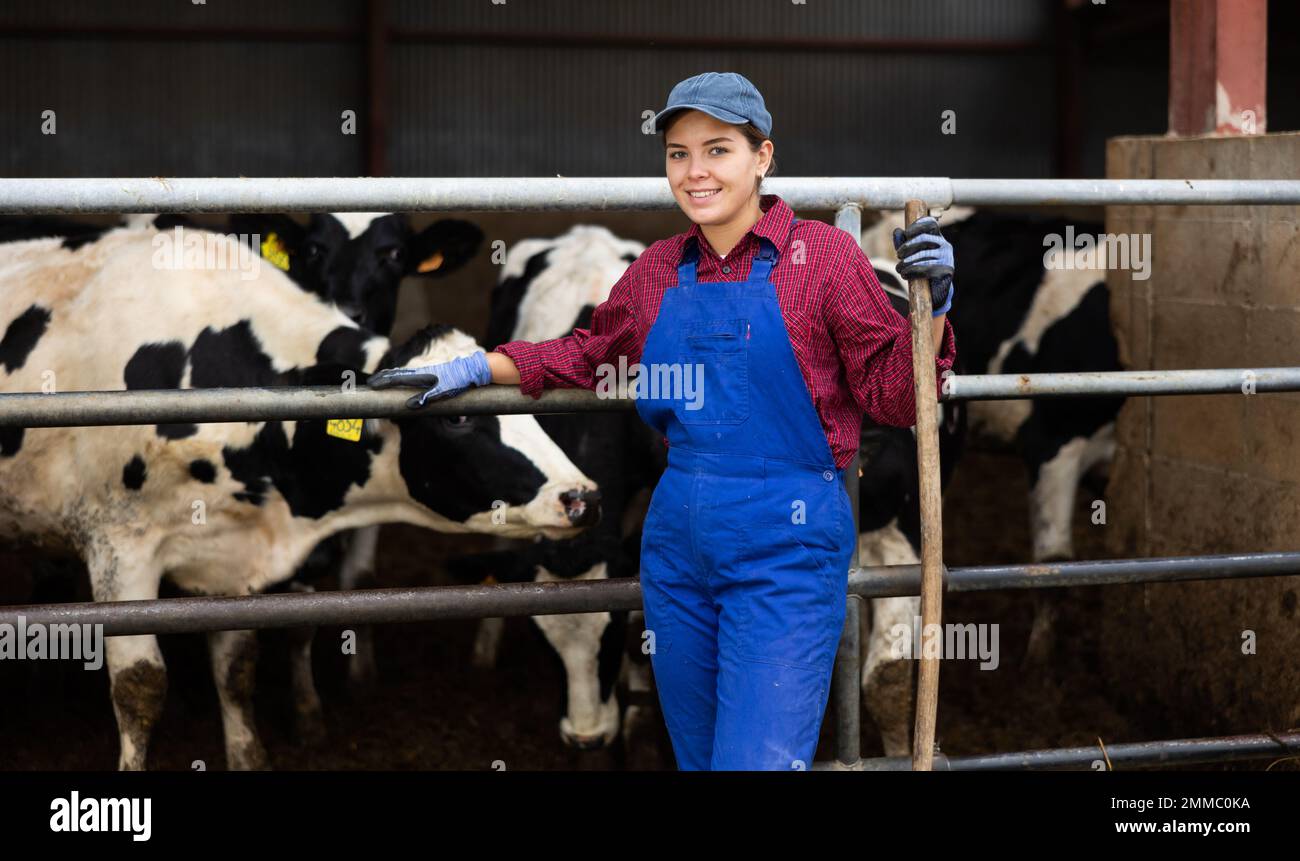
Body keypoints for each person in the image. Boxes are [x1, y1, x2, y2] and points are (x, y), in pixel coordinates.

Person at [368, 72, 957, 770]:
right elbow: (588, 352)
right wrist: (476, 366)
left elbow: (897, 396)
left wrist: (938, 305)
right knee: (700, 757)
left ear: (762, 157)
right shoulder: (656, 271)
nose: (695, 171)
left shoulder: (825, 259)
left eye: (717, 150)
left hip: (788, 541)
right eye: (679, 153)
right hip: (678, 537)